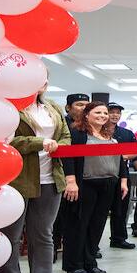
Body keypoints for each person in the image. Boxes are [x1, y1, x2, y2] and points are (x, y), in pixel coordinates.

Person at [0, 87, 70, 273]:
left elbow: (65, 136)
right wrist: (39, 142)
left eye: (43, 81)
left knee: (44, 240)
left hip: (50, 181)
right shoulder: (8, 108)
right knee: (9, 241)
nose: (39, 85)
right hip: (16, 180)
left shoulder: (52, 107)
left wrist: (59, 145)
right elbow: (7, 141)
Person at [61, 101, 128, 273]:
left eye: (105, 113)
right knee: (79, 224)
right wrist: (71, 181)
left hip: (108, 184)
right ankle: (74, 264)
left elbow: (119, 159)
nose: (103, 116)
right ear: (87, 114)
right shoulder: (78, 133)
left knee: (97, 225)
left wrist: (123, 181)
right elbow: (68, 158)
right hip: (85, 184)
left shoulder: (109, 135)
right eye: (98, 112)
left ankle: (90, 262)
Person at [54, 93, 90, 260]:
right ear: (68, 108)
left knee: (75, 217)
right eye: (79, 104)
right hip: (61, 177)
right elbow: (65, 154)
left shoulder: (88, 127)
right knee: (58, 217)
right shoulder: (61, 125)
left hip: (82, 178)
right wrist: (70, 179)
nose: (84, 108)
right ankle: (54, 250)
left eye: (86, 105)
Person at [106, 102, 137, 251]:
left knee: (121, 208)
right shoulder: (96, 131)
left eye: (118, 112)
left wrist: (119, 157)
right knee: (100, 210)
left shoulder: (126, 133)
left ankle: (118, 238)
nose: (115, 115)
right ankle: (93, 245)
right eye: (111, 112)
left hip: (122, 175)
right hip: (102, 175)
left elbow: (136, 152)